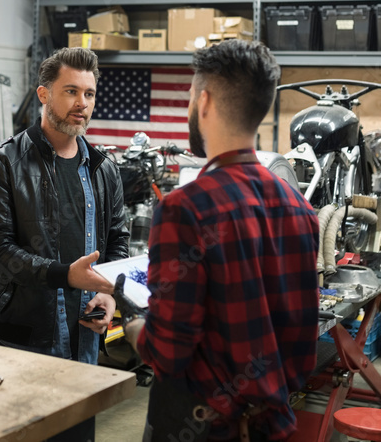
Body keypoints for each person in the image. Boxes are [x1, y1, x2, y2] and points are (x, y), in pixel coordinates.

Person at [115, 39, 320, 442]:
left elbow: (169, 351)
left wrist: (135, 326)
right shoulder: (299, 207)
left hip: (198, 425)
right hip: (270, 424)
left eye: (191, 97)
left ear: (204, 102)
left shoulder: (184, 209)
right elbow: (301, 345)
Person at [0, 46, 130, 442]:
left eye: (89, 94)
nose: (82, 104)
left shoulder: (103, 169)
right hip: (21, 340)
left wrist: (109, 296)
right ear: (44, 94)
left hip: (85, 340)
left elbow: (118, 240)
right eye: (71, 91)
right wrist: (64, 276)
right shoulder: (3, 162)